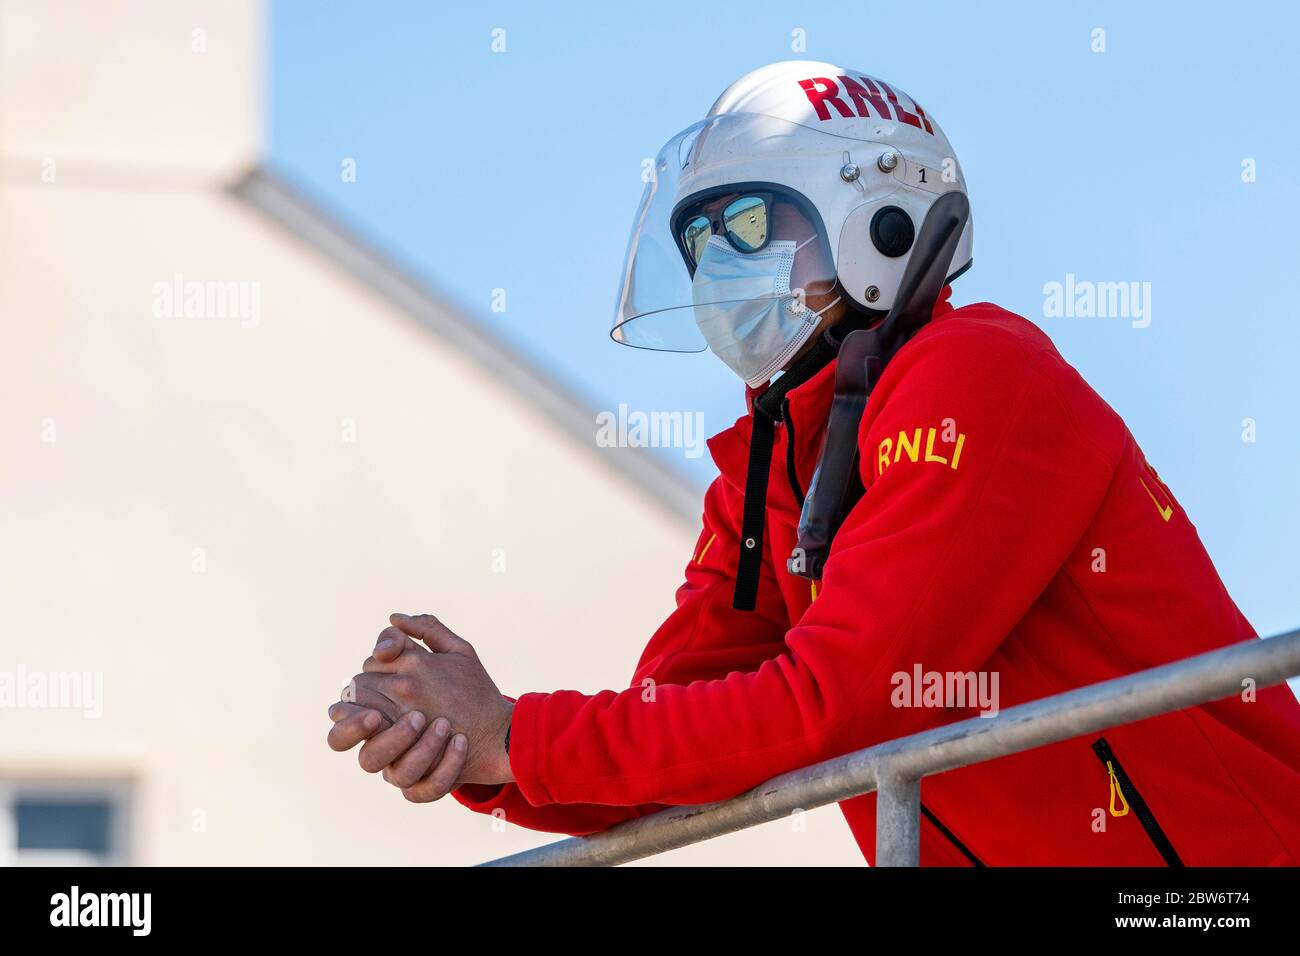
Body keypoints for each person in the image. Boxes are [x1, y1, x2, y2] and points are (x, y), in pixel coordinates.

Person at [326, 61, 1300, 865]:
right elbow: (683, 728)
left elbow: (839, 697)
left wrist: (516, 731)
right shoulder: (772, 458)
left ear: (878, 225)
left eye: (747, 226)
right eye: (698, 240)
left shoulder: (977, 373)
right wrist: (478, 753)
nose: (716, 269)